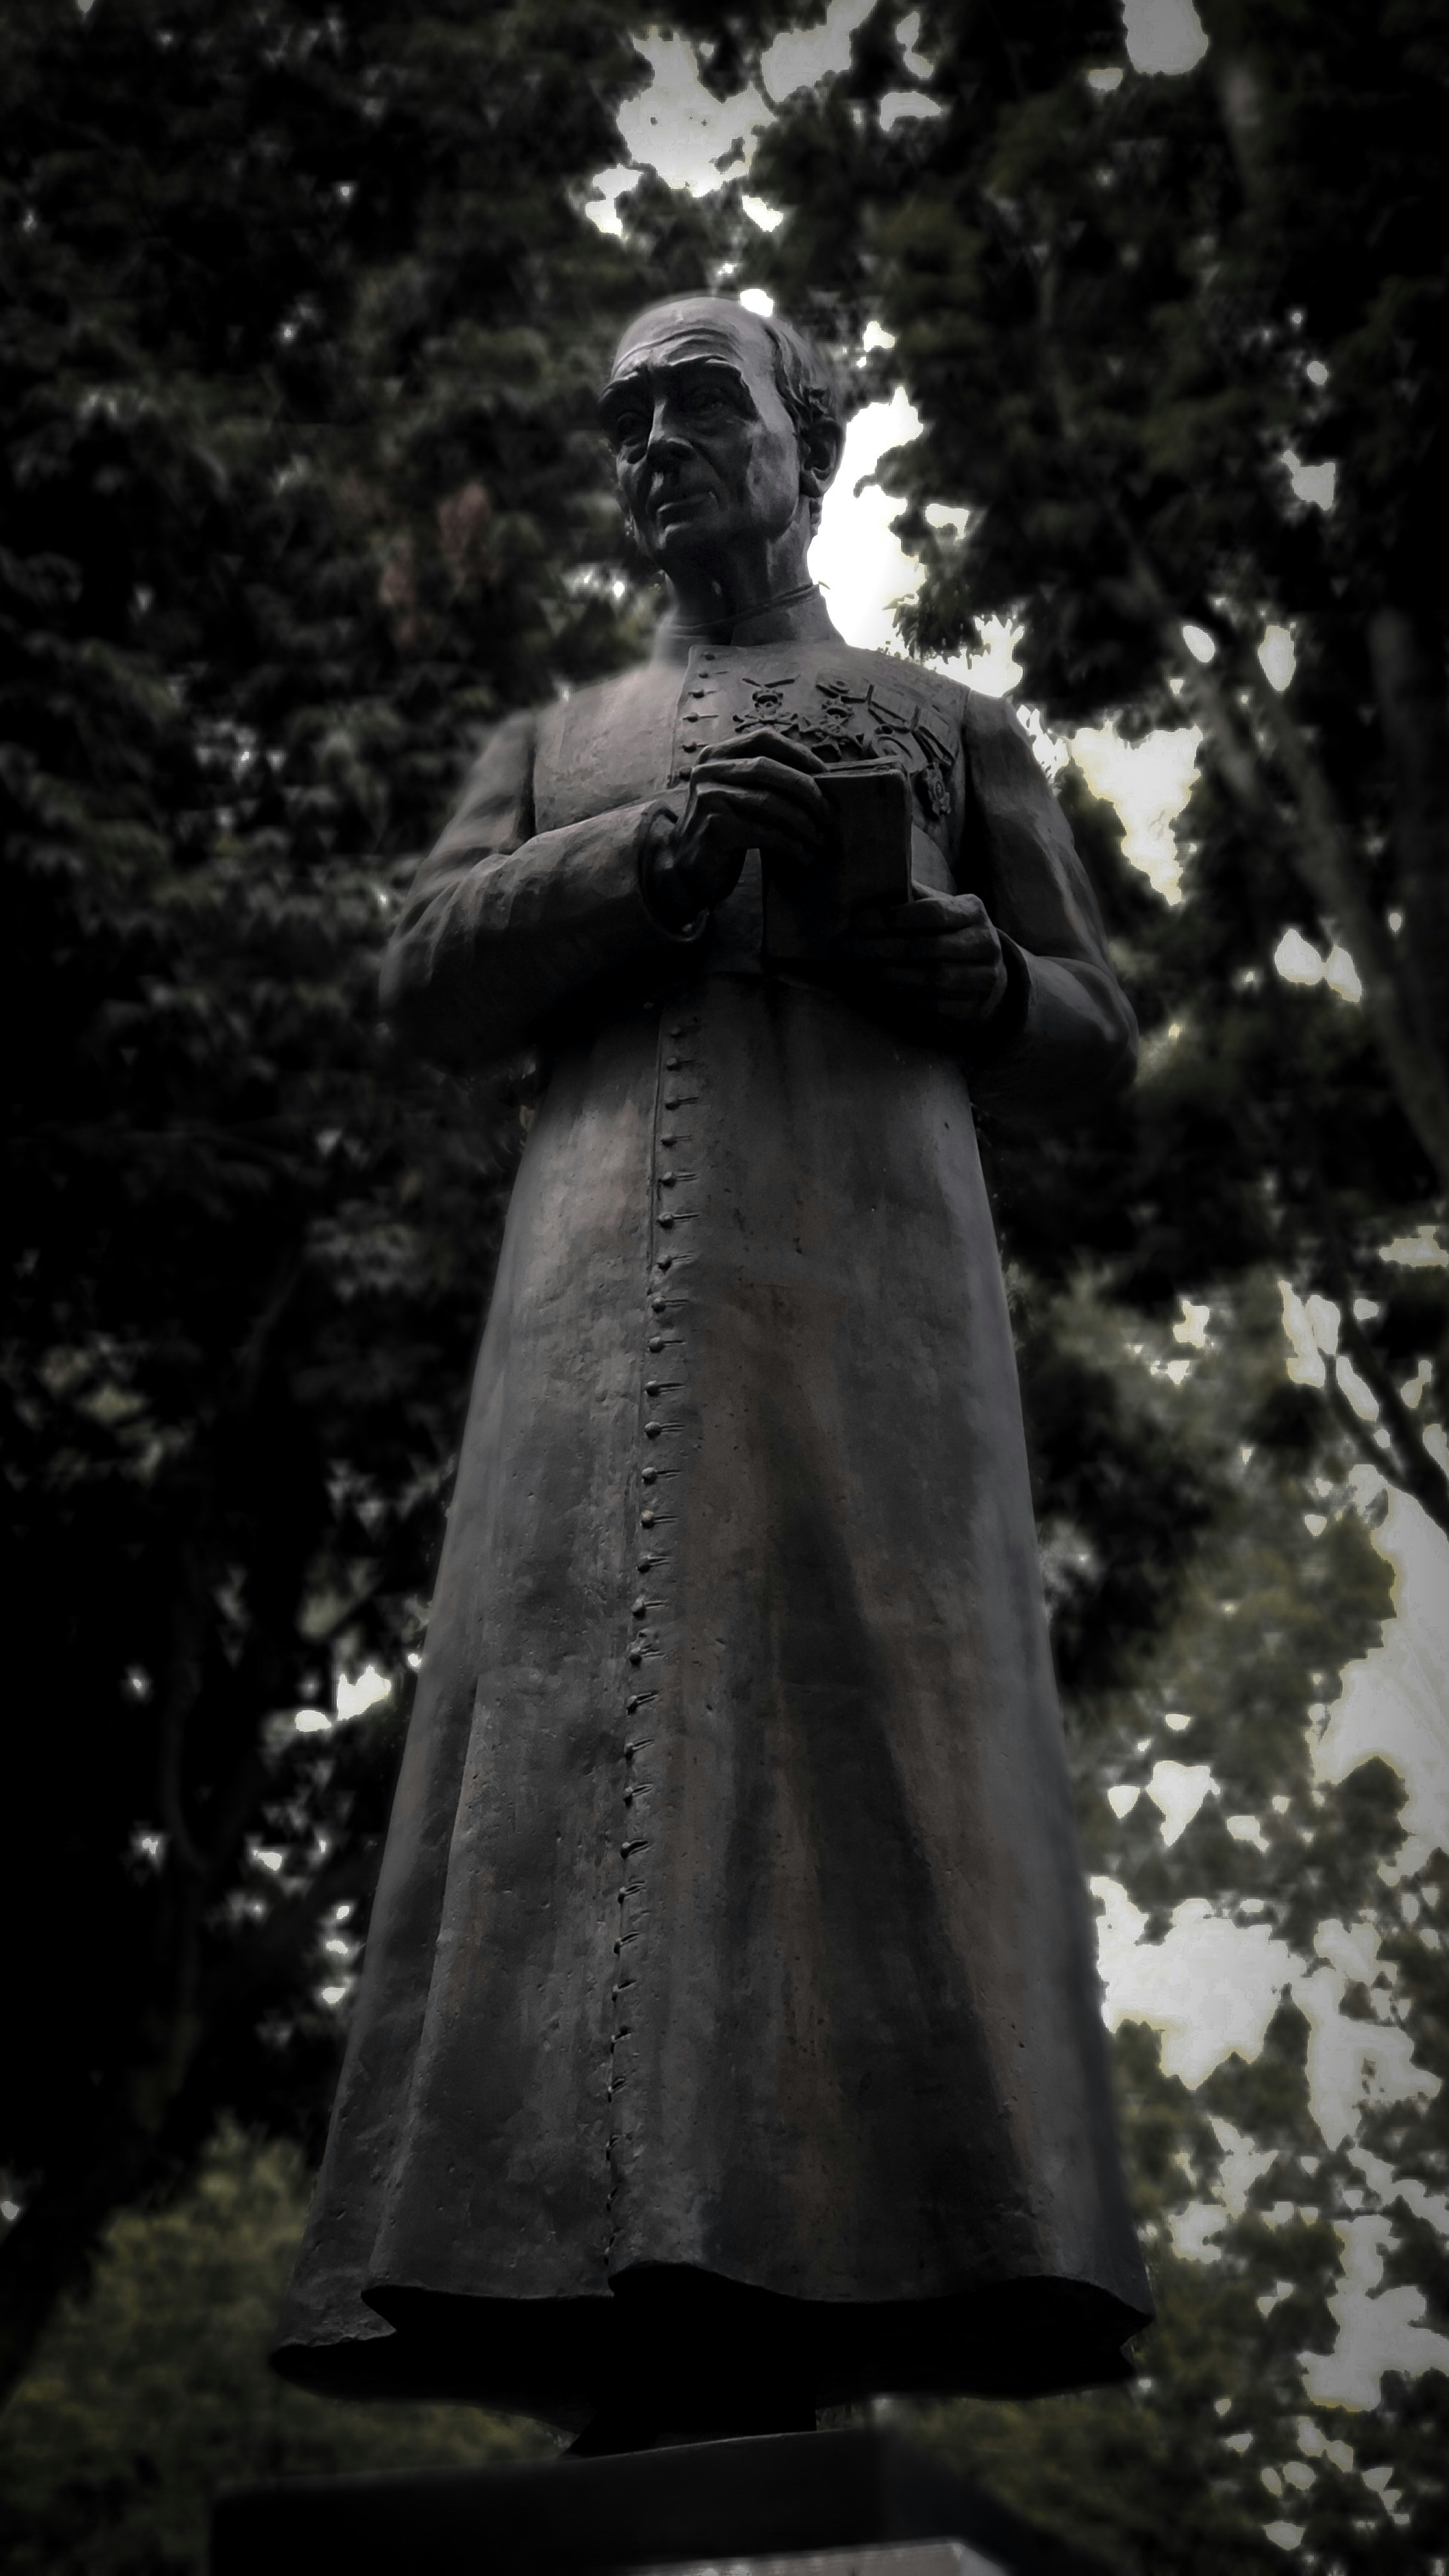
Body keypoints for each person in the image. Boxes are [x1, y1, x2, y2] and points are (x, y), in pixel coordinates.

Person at [273, 295, 1152, 2450]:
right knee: (574, 1764)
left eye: (698, 404)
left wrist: (959, 962)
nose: (654, 445)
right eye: (622, 421)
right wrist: (661, 849)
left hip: (869, 1329)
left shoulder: (952, 728)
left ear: (803, 446)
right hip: (584, 1343)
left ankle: (840, 2288)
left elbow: (1096, 1039)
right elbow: (420, 973)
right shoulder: (560, 740)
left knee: (867, 1766)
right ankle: (568, 2296)